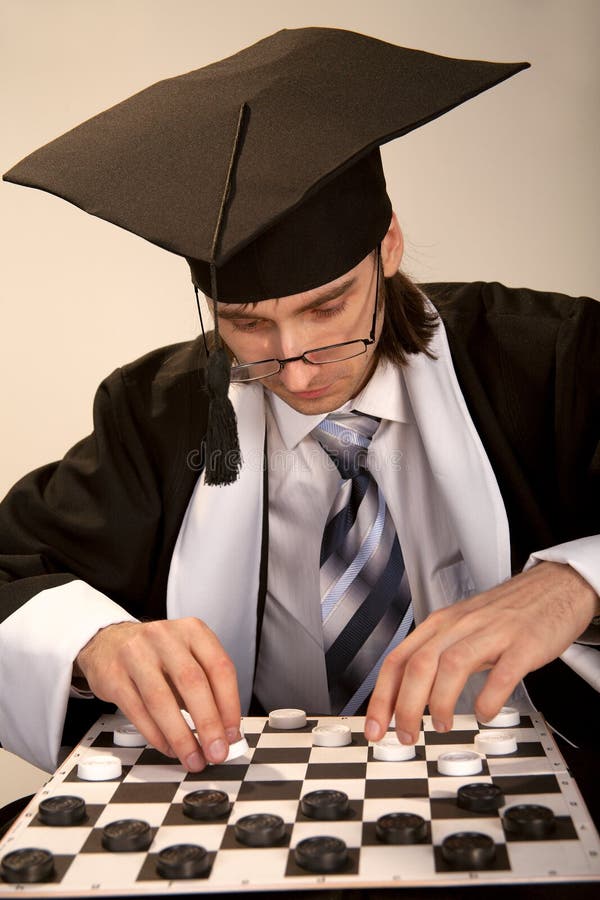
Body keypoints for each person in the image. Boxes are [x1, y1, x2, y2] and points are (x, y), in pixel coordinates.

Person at [0, 28, 598, 778]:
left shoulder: (553, 359)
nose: (293, 365)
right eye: (246, 322)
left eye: (327, 309)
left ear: (387, 246)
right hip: (260, 804)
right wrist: (92, 644)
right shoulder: (156, 415)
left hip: (522, 784)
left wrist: (578, 582)